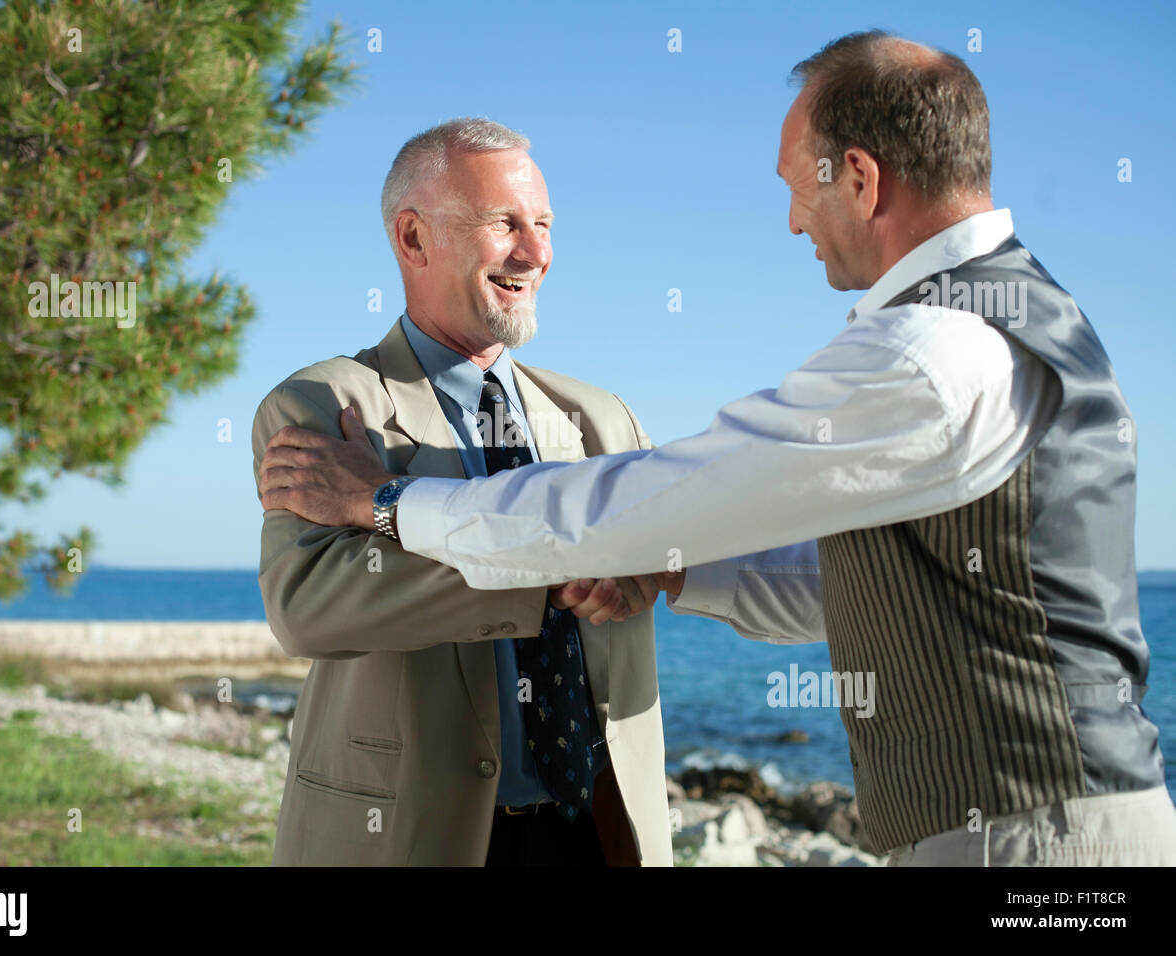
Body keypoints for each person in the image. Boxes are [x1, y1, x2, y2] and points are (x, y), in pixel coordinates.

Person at [260, 34, 1176, 866]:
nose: (790, 222)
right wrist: (670, 575)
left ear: (859, 177)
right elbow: (841, 579)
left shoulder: (929, 352)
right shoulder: (1017, 317)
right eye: (506, 223)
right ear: (411, 235)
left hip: (1035, 847)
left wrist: (390, 506)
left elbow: (654, 501)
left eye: (795, 186)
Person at [253, 118, 672, 866]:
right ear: (412, 240)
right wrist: (544, 575)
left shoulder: (607, 418)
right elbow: (308, 608)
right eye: (504, 223)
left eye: (543, 224)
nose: (536, 252)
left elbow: (681, 554)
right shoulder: (324, 407)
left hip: (603, 833)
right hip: (412, 836)